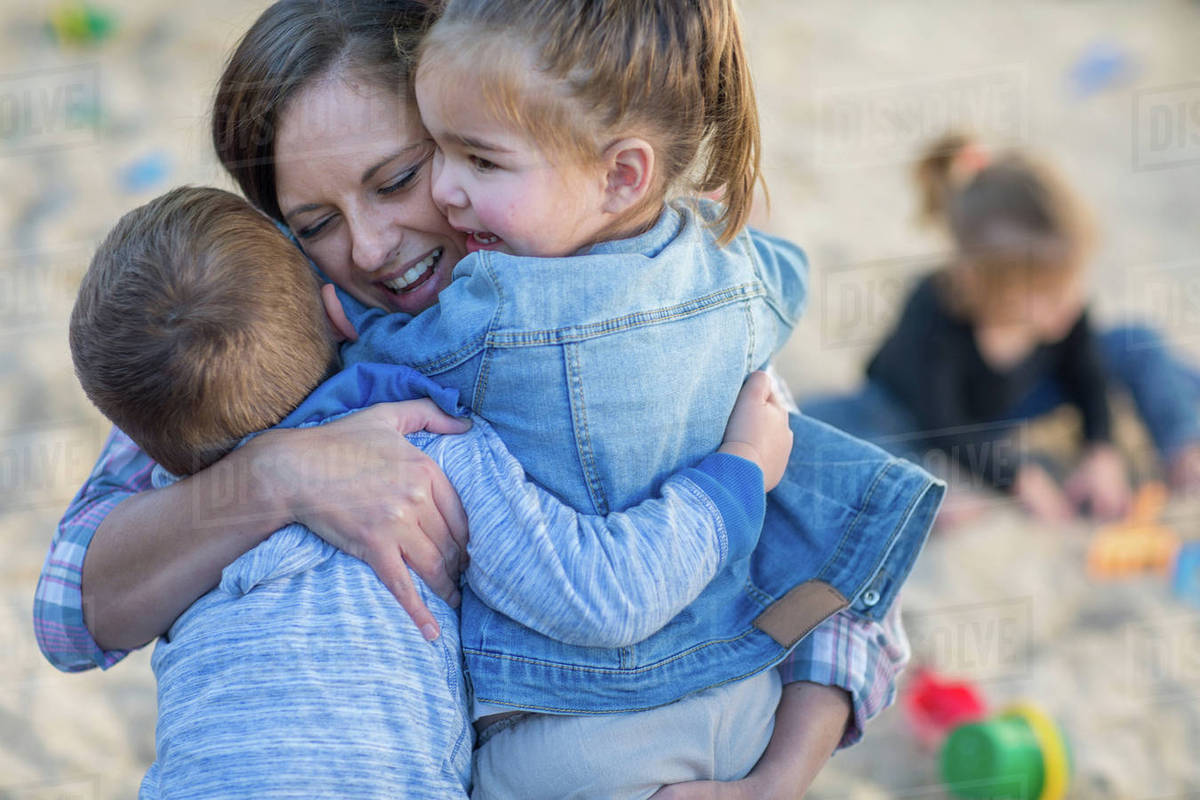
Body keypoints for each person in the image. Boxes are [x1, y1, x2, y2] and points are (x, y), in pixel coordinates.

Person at [36, 1, 921, 795]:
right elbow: (70, 612)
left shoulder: (641, 311)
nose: (375, 247)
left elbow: (844, 573)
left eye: (398, 178)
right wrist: (278, 475)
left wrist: (776, 780)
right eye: (316, 223)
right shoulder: (277, 336)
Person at [327, 1, 941, 796]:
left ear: (622, 174)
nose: (446, 189)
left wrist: (347, 333)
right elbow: (786, 278)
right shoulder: (725, 271)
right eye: (436, 152)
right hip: (744, 690)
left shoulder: (491, 315)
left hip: (574, 732)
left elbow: (380, 371)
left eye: (480, 161)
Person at [70, 185, 792, 797]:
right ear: (337, 317)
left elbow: (72, 613)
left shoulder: (177, 506)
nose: (370, 246)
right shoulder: (428, 440)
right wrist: (739, 473)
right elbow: (602, 595)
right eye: (320, 224)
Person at [805, 132, 1200, 524]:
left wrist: (1101, 448)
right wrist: (1016, 477)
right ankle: (918, 496)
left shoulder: (1061, 301)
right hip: (916, 413)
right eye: (1049, 296)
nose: (1070, 302)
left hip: (1012, 405)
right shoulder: (933, 313)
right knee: (843, 426)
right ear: (988, 291)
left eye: (1073, 284)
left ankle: (1185, 445)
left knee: (1137, 342)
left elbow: (1086, 372)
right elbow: (945, 423)